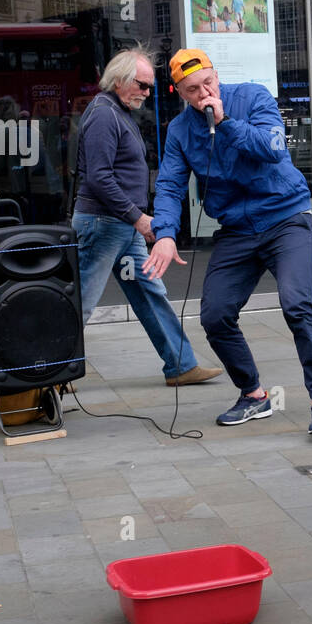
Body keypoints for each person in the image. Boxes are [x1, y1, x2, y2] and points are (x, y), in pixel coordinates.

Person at [143, 48, 312, 435]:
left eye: (208, 83)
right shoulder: (180, 130)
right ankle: (253, 395)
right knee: (214, 314)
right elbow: (168, 185)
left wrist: (225, 121)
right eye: (193, 89)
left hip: (285, 216)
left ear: (217, 75)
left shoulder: (252, 96)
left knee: (296, 303)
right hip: (236, 229)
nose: (203, 93)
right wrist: (164, 235)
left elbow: (272, 148)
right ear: (179, 93)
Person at [72, 48, 222, 387]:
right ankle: (45, 370)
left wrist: (136, 219)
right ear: (120, 81)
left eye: (151, 86)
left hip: (118, 225)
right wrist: (138, 218)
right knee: (79, 303)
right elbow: (99, 178)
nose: (147, 92)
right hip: (104, 224)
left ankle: (181, 364)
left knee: (150, 292)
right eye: (142, 84)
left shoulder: (116, 112)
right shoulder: (103, 115)